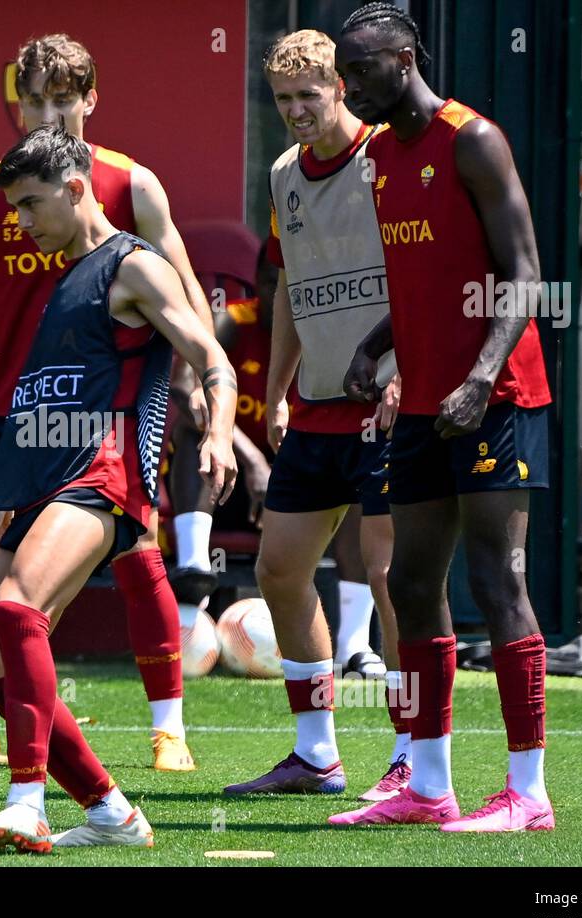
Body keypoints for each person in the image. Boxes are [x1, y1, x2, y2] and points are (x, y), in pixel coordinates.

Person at [0, 34, 213, 772]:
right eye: (33, 99)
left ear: (91, 100)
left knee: (137, 552)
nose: (46, 112)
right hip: (14, 406)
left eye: (62, 99)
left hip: (110, 409)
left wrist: (206, 377)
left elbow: (180, 276)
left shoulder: (130, 182)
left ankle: (168, 726)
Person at [0, 126, 238, 851]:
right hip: (41, 479)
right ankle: (110, 811)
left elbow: (211, 355)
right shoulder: (65, 276)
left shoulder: (134, 266)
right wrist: (5, 490)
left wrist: (216, 433)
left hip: (103, 472)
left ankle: (27, 799)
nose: (20, 223)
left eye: (29, 204)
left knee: (18, 608)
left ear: (77, 188)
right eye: (12, 209)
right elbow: (42, 396)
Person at [332, 2, 555, 831]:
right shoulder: (382, 156)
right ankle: (428, 786)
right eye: (344, 76)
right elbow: (423, 277)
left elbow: (524, 272)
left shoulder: (473, 139)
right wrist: (375, 347)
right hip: (424, 401)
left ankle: (527, 795)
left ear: (402, 58)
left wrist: (481, 373)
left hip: (495, 400)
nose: (352, 89)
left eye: (361, 72)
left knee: (499, 583)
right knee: (412, 582)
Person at [218, 30, 406, 802]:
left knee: (398, 580)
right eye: (283, 98)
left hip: (395, 404)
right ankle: (317, 753)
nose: (297, 110)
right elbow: (291, 286)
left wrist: (407, 375)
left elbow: (423, 274)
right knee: (281, 569)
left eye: (311, 94)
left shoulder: (390, 158)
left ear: (343, 88)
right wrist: (286, 386)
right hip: (319, 408)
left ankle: (411, 756)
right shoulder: (283, 174)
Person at [165, 240, 276, 600]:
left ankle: (353, 638)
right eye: (271, 282)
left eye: (288, 284)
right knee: (192, 423)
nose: (279, 294)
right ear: (257, 280)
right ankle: (193, 563)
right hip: (219, 476)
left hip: (283, 483)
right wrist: (251, 459)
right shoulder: (233, 321)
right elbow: (183, 389)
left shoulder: (315, 333)